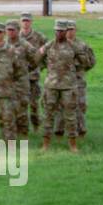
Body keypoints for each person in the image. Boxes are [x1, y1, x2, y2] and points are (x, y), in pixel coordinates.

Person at [38, 19, 80, 152]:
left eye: (61, 31)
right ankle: (45, 143)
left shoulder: (73, 47)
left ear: (66, 31)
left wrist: (73, 71)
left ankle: (73, 144)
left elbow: (84, 62)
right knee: (48, 114)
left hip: (68, 86)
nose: (58, 33)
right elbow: (37, 59)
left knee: (70, 116)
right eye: (56, 30)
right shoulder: (49, 46)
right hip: (51, 85)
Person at [64, 20, 96, 138]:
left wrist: (81, 70)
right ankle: (61, 131)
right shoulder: (60, 45)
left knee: (80, 105)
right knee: (62, 106)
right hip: (63, 81)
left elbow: (91, 62)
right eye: (67, 30)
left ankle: (81, 130)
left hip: (78, 81)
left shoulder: (82, 46)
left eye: (71, 29)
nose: (69, 32)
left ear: (75, 30)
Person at [5, 20, 36, 138]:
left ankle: (23, 134)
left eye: (13, 30)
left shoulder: (25, 45)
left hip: (21, 82)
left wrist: (26, 69)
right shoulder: (3, 44)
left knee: (22, 109)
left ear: (18, 31)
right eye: (8, 30)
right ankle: (9, 135)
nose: (10, 32)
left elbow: (35, 59)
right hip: (6, 82)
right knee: (7, 109)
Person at [20, 13, 45, 131]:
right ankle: (22, 129)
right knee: (20, 104)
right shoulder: (15, 37)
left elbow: (48, 51)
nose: (26, 23)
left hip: (33, 77)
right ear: (21, 22)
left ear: (31, 22)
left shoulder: (38, 37)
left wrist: (41, 66)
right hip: (19, 77)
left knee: (34, 104)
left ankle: (36, 127)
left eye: (28, 21)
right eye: (24, 20)